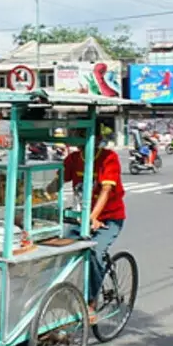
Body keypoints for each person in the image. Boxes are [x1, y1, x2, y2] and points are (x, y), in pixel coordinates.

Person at [52, 126, 125, 308]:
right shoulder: (73, 159)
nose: (78, 139)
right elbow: (57, 182)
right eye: (77, 134)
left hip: (109, 218)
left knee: (94, 253)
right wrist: (38, 197)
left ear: (97, 137)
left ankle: (90, 302)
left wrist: (92, 217)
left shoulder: (109, 158)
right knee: (59, 251)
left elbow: (106, 190)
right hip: (80, 217)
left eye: (82, 134)